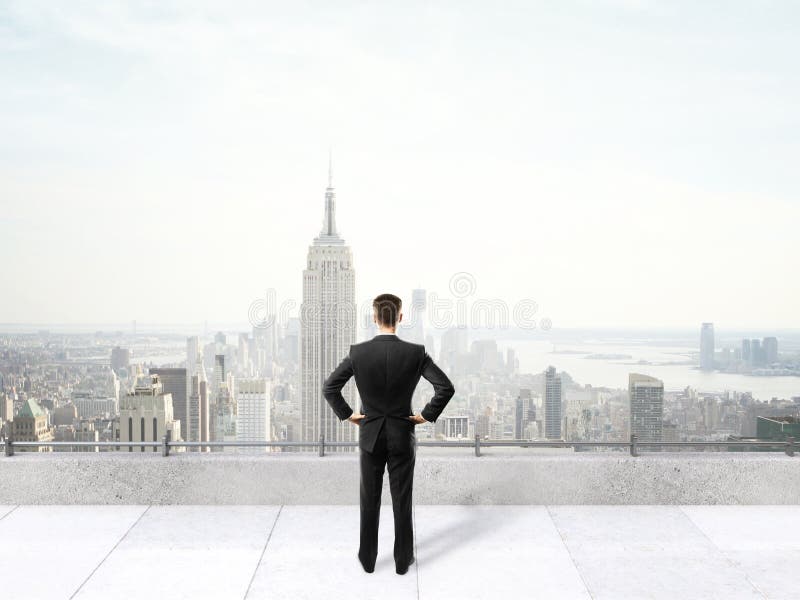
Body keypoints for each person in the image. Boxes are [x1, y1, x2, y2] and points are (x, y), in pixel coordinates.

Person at [323, 293, 455, 575]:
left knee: (369, 499)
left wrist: (349, 415)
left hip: (370, 434)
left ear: (374, 318)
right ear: (401, 317)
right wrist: (424, 415)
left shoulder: (358, 353)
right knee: (401, 500)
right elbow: (445, 387)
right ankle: (401, 561)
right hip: (401, 434)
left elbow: (329, 388)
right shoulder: (415, 353)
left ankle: (368, 560)